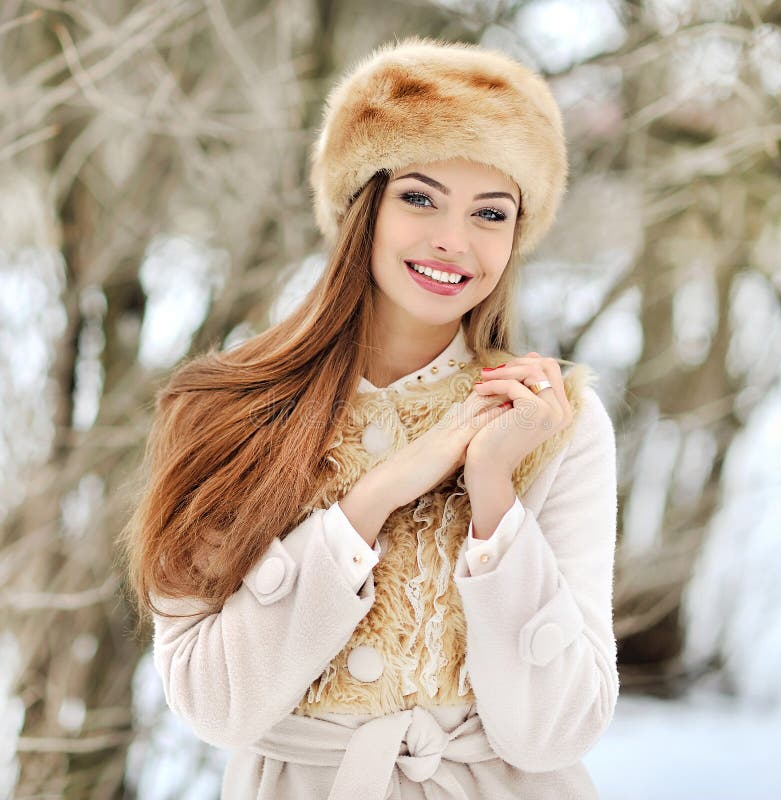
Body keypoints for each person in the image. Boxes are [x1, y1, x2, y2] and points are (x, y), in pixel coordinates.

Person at [121, 36, 619, 800]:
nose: (454, 240)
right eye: (420, 198)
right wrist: (368, 503)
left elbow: (554, 733)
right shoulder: (226, 409)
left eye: (491, 213)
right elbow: (214, 704)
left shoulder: (558, 423)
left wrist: (493, 493)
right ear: (365, 207)